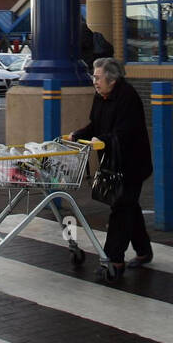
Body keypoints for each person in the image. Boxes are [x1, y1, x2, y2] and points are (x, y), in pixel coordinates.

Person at [70, 57, 153, 278]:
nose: (94, 82)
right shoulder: (100, 98)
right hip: (111, 162)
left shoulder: (128, 98)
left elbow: (125, 133)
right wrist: (77, 136)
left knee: (121, 207)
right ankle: (144, 251)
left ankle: (114, 260)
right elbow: (95, 125)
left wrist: (103, 140)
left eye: (98, 77)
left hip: (132, 163)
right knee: (128, 205)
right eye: (94, 77)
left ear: (112, 79)